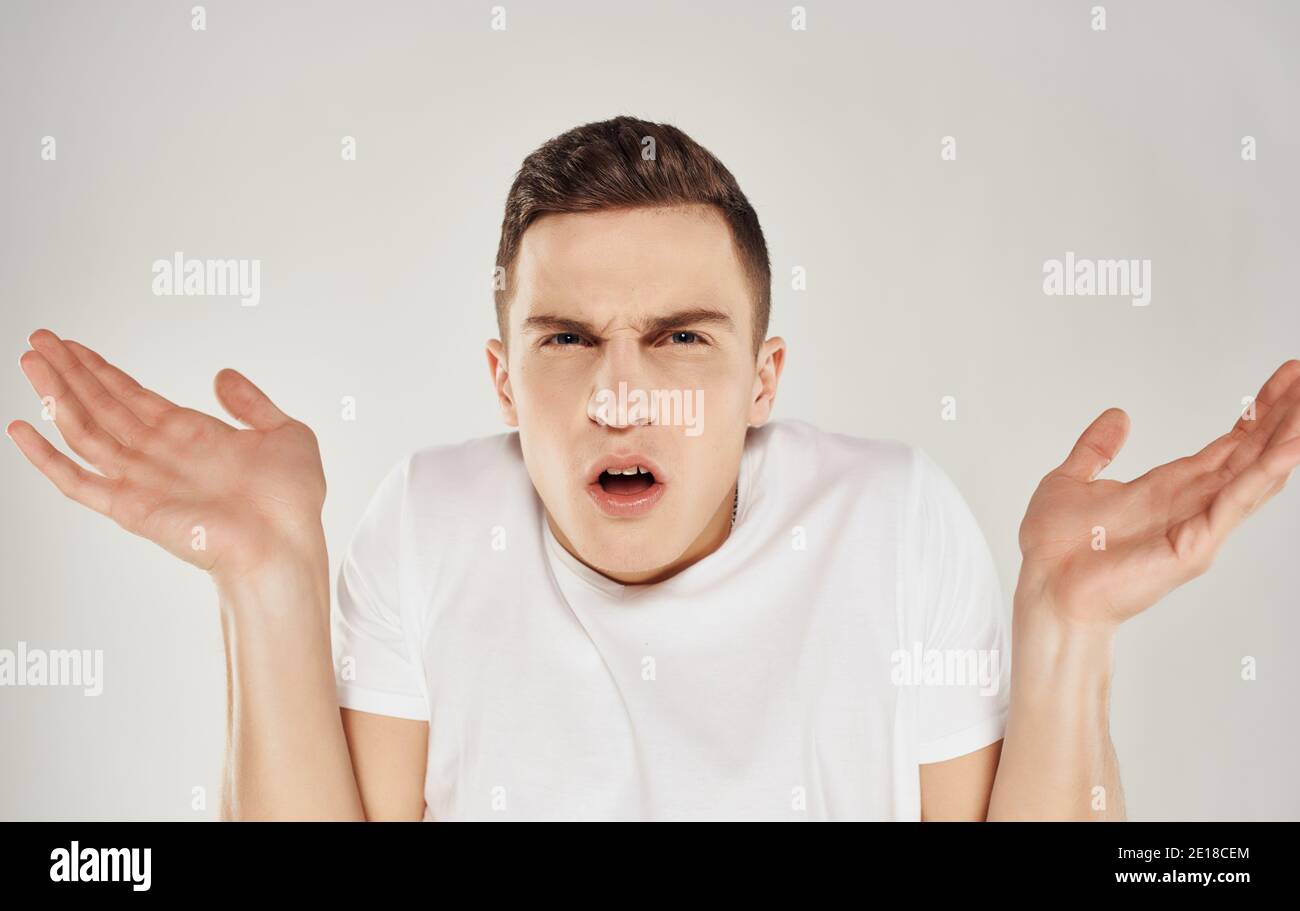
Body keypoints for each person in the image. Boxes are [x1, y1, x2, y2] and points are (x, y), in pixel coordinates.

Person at [9, 116, 1300, 821]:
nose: (622, 390)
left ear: (763, 380)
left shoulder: (893, 518)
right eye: (569, 341)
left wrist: (1064, 631)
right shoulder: (431, 518)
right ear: (506, 379)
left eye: (681, 338)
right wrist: (265, 577)